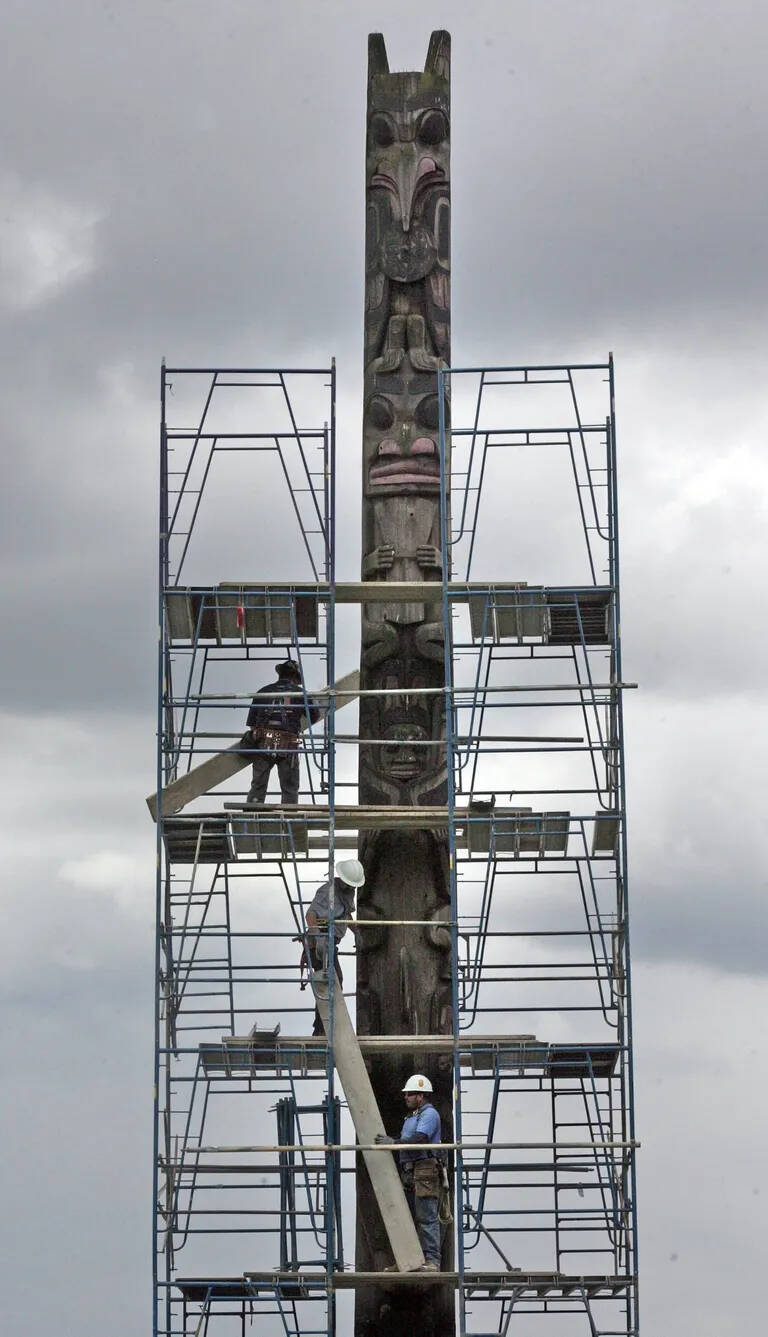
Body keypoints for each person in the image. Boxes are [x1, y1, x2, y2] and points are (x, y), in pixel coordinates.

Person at [376, 1074, 443, 1271]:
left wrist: (394, 1143)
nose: (405, 1097)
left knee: (427, 1218)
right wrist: (395, 1142)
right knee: (406, 1217)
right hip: (411, 1172)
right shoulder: (412, 1117)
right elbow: (410, 1138)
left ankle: (433, 1261)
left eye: (409, 1094)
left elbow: (420, 1139)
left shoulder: (429, 1115)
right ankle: (407, 1259)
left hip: (425, 1171)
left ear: (420, 1096)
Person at [245, 659, 320, 805]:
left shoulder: (263, 692)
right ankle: (289, 819)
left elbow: (252, 725)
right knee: (290, 788)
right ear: (294, 677)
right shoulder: (300, 694)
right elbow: (314, 717)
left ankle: (252, 813)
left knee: (258, 785)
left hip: (263, 743)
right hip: (289, 744)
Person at [305, 859, 366, 1036]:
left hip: (332, 941)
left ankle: (321, 1027)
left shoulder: (348, 893)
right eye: (349, 884)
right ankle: (321, 1029)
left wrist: (357, 931)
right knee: (331, 980)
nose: (351, 887)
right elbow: (311, 914)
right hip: (322, 941)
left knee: (331, 982)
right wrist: (318, 937)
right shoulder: (328, 891)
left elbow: (345, 914)